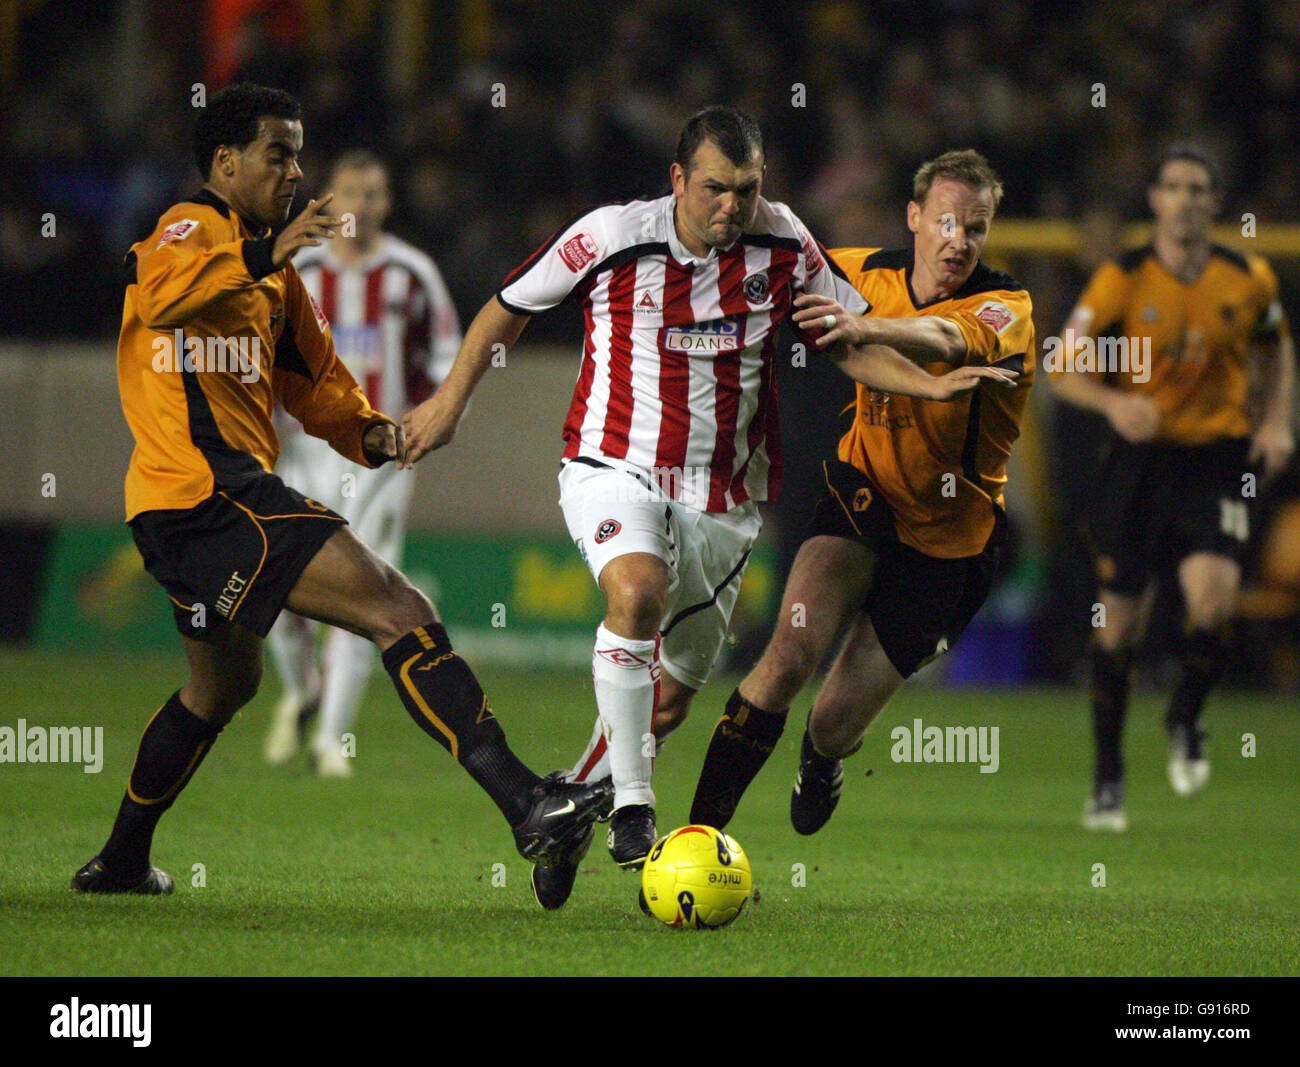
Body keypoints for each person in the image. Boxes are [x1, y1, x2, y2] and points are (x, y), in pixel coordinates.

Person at [402, 110, 1010, 908]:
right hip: (611, 464)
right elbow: (508, 305)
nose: (733, 206)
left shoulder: (786, 242)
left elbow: (849, 339)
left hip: (724, 499)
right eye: (716, 188)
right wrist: (449, 404)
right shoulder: (613, 235)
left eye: (748, 189)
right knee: (637, 594)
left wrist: (928, 383)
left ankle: (570, 810)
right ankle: (631, 809)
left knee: (670, 697)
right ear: (679, 179)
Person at [72, 83, 610, 898]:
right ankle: (530, 804)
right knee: (399, 607)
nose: (294, 171)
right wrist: (267, 253)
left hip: (189, 507)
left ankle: (119, 861)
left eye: (298, 153)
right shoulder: (190, 228)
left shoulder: (276, 279)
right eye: (275, 153)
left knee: (223, 686)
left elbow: (317, 384)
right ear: (225, 161)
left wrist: (375, 433)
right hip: (210, 491)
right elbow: (162, 294)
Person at [686, 149, 1031, 836]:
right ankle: (695, 836)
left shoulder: (1006, 307)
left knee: (834, 717)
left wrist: (864, 324)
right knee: (787, 654)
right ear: (913, 218)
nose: (958, 240)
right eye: (944, 222)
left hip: (950, 547)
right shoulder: (856, 269)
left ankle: (821, 758)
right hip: (863, 489)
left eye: (976, 227)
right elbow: (772, 254)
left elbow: (941, 338)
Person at [1048, 145, 1294, 831]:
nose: (1185, 199)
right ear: (1155, 199)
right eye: (1173, 187)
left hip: (1215, 461)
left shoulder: (1248, 277)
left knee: (1213, 603)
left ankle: (1185, 716)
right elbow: (1060, 365)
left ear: (1215, 203)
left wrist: (1276, 420)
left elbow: (1277, 347)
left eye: (1198, 188)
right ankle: (1107, 776)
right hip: (1137, 466)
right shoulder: (1120, 279)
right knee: (1118, 626)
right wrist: (1111, 404)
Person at [262, 149, 462, 777]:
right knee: (278, 594)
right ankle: (303, 691)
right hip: (300, 449)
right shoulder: (299, 267)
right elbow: (260, 347)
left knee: (368, 593)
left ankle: (330, 739)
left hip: (380, 461)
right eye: (351, 192)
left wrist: (425, 420)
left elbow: (447, 358)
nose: (363, 206)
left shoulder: (411, 272)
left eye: (375, 194)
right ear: (328, 198)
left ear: (388, 203)